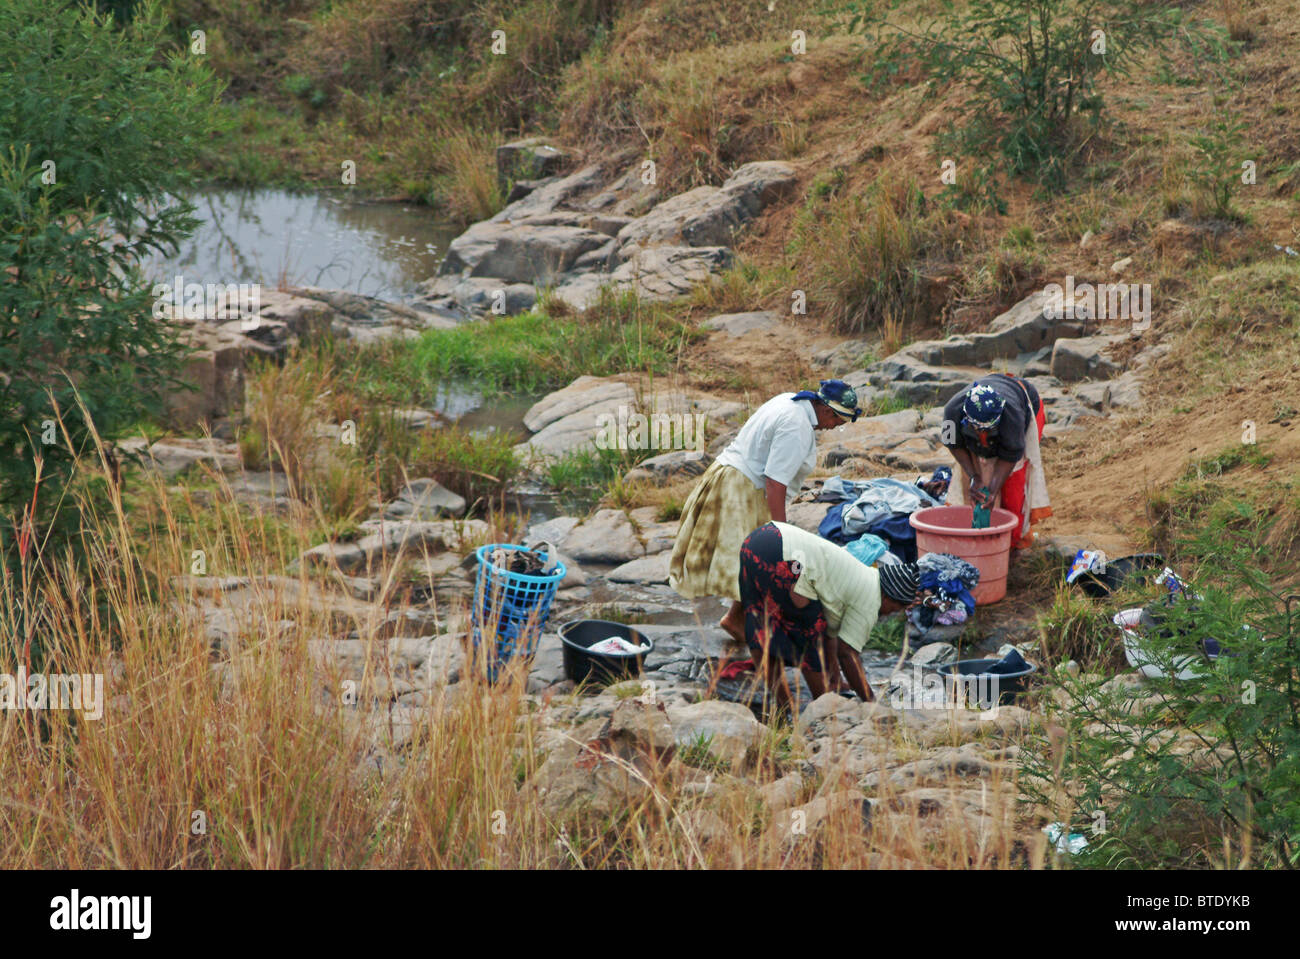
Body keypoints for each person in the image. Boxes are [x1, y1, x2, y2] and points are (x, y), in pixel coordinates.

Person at [669, 380, 863, 640]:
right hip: (742, 488)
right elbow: (775, 482)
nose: (836, 427)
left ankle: (736, 618)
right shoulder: (797, 428)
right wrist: (781, 531)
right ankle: (746, 622)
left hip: (730, 475)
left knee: (755, 559)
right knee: (763, 558)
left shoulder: (789, 399)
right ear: (828, 411)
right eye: (839, 421)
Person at [736, 521, 919, 713]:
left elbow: (833, 638)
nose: (893, 614)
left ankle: (784, 708)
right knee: (809, 643)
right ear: (889, 596)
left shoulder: (861, 576)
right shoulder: (871, 599)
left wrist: (837, 679)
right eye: (897, 608)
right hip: (787, 559)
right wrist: (871, 703)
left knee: (760, 629)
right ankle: (824, 711)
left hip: (760, 538)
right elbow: (846, 653)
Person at [941, 373, 1052, 548]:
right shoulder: (951, 412)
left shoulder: (1012, 414)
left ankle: (1015, 542)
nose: (983, 435)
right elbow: (953, 444)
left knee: (1014, 490)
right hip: (981, 417)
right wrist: (974, 477)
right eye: (978, 430)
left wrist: (993, 489)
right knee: (972, 491)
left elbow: (1011, 454)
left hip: (1024, 399)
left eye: (989, 429)